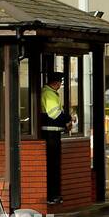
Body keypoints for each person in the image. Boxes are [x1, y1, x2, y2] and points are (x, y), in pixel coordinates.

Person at [40, 70, 70, 205]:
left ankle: (54, 195)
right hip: (51, 135)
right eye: (60, 82)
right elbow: (55, 115)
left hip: (53, 133)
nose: (60, 84)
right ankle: (52, 196)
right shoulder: (49, 94)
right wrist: (68, 119)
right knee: (53, 167)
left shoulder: (51, 93)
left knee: (54, 166)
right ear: (55, 82)